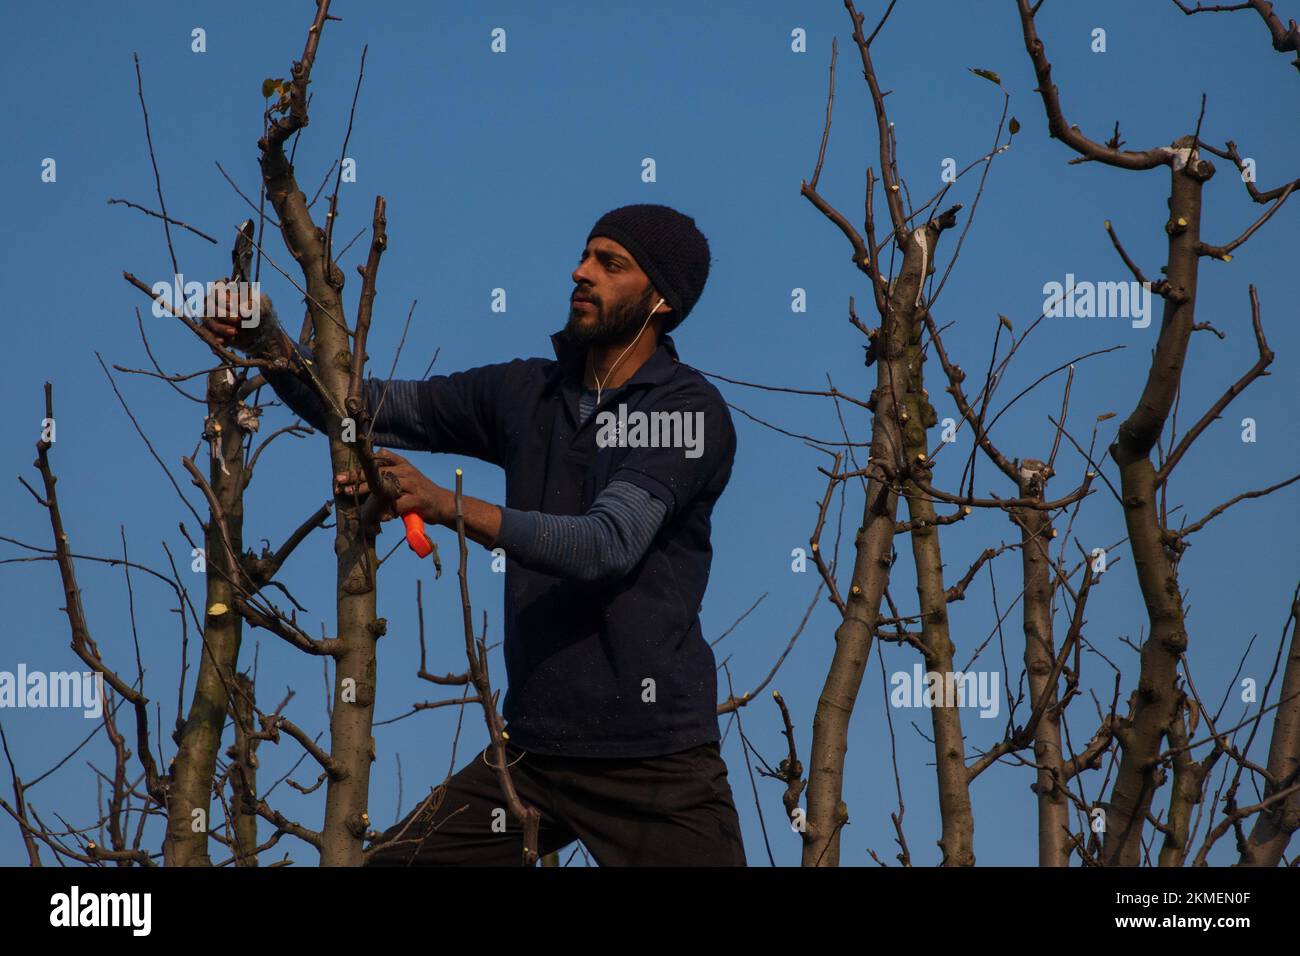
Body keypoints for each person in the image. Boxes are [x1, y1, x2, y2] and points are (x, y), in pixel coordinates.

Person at [203, 203, 746, 866]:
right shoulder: (526, 393)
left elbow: (607, 544)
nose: (582, 272)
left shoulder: (685, 412)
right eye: (585, 254)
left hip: (657, 763)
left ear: (661, 299)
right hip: (534, 756)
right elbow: (359, 408)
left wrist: (445, 504)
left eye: (611, 264)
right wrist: (272, 347)